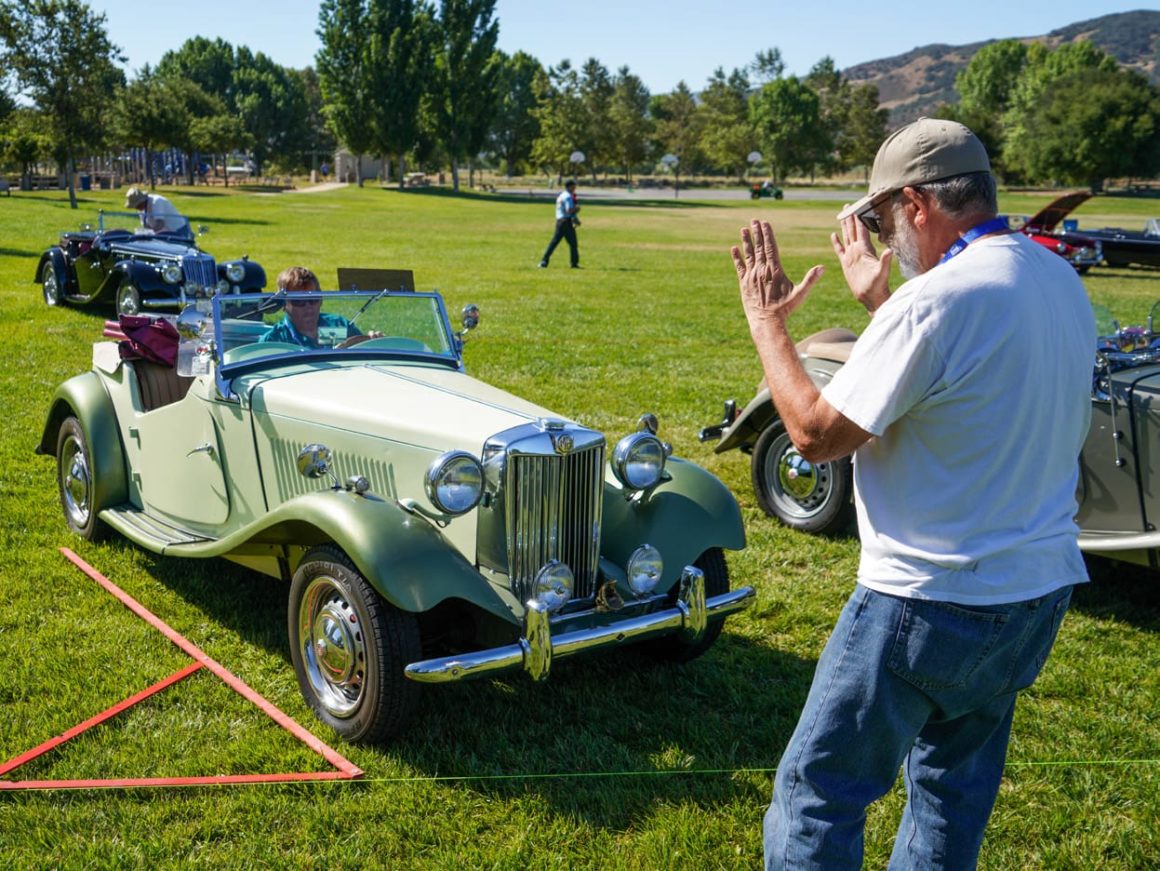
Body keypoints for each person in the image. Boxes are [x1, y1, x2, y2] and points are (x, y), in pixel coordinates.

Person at [731, 118, 1095, 870]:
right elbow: (965, 377)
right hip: (1034, 594)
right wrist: (883, 304)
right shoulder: (1055, 276)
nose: (879, 235)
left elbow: (813, 434)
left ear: (918, 204)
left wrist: (767, 323)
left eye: (879, 218)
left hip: (927, 599)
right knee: (948, 798)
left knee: (817, 793)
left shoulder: (932, 304)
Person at [261, 266, 369, 348]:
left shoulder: (339, 326)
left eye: (314, 299)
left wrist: (374, 340)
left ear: (321, 299)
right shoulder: (273, 341)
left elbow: (364, 351)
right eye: (299, 301)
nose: (308, 306)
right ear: (283, 304)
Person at [539, 179, 580, 268]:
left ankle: (544, 261)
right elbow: (568, 210)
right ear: (570, 186)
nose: (575, 188)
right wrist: (577, 209)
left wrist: (575, 218)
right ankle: (574, 263)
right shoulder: (568, 197)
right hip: (566, 222)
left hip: (560, 221)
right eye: (574, 186)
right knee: (573, 244)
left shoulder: (561, 195)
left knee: (554, 243)